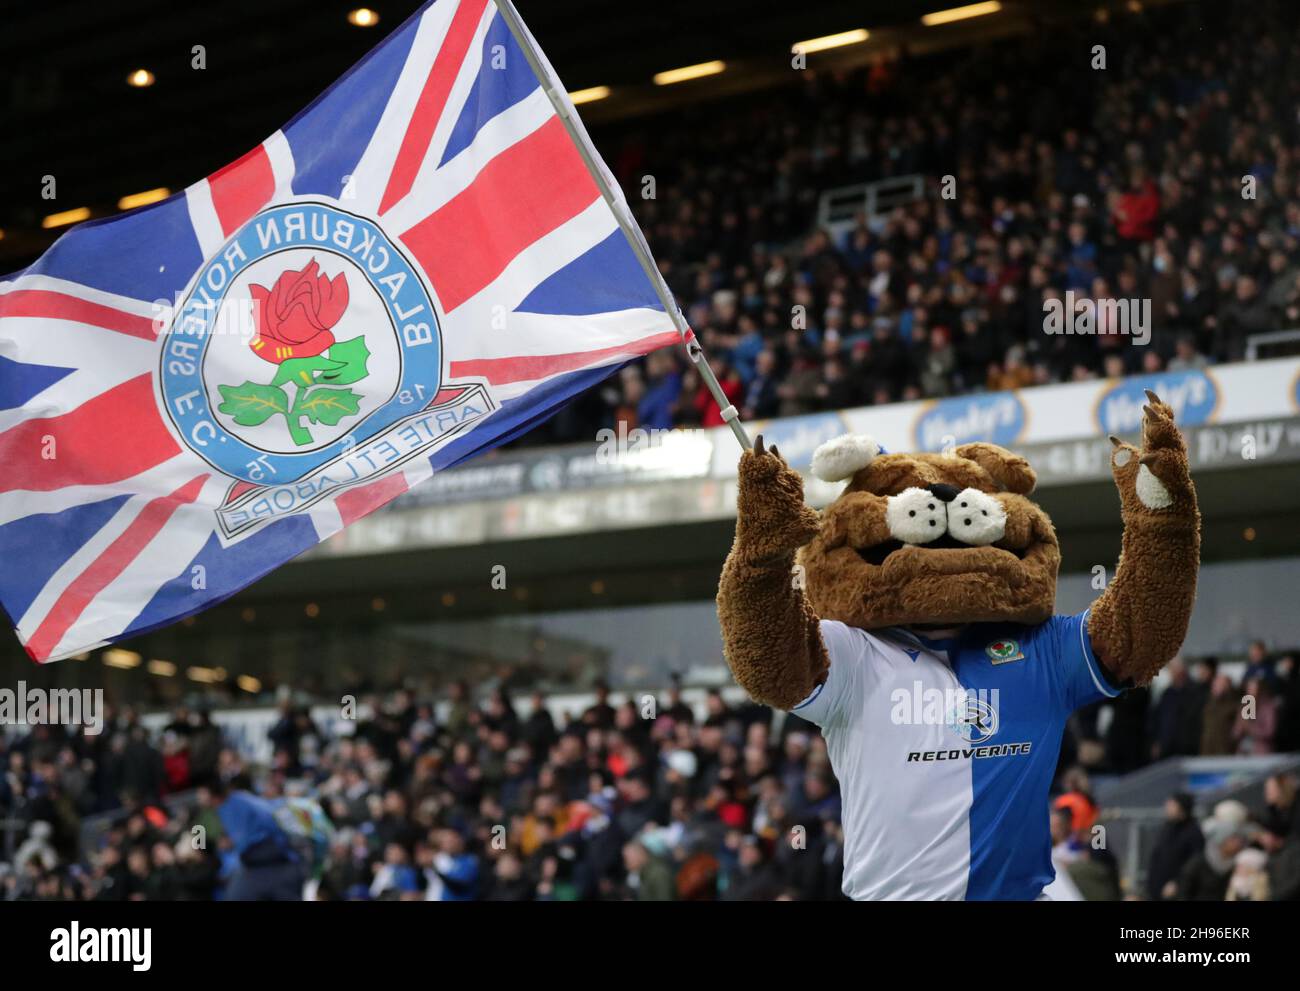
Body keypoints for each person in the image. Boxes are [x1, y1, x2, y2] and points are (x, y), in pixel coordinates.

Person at [200, 779, 303, 901]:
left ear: (212, 794)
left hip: (268, 854)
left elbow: (244, 837)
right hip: (263, 857)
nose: (199, 796)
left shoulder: (234, 804)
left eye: (202, 792)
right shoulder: (230, 804)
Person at [1145, 792, 1203, 900]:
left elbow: (1194, 863)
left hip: (1179, 891)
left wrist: (1177, 882)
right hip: (1157, 888)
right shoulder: (1167, 828)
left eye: (1172, 805)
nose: (1167, 808)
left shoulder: (1193, 832)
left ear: (1182, 808)